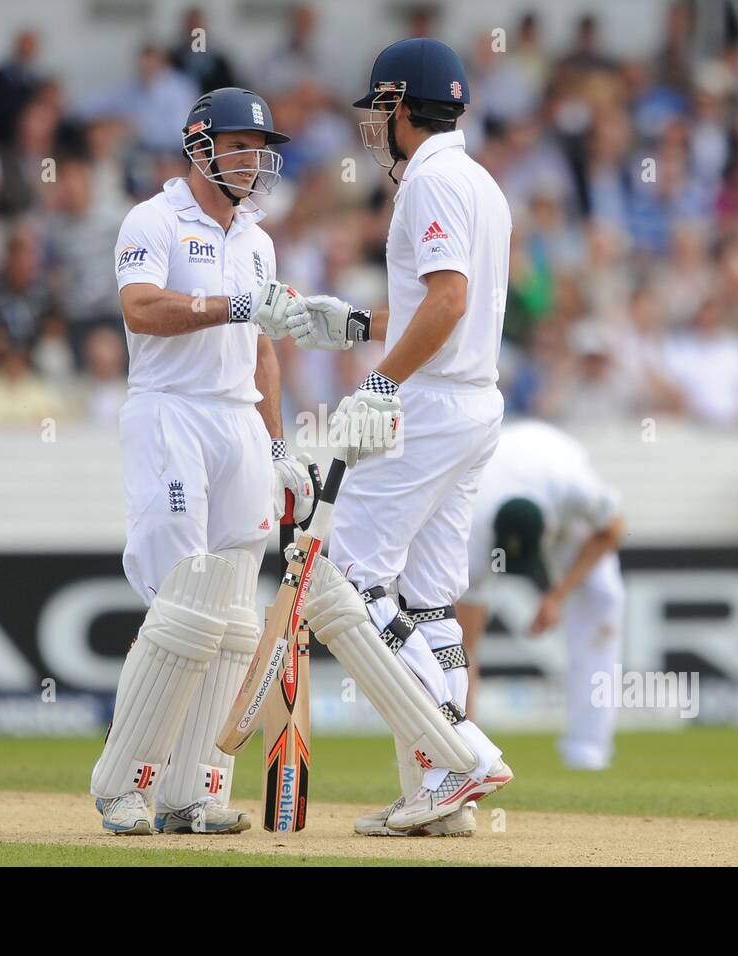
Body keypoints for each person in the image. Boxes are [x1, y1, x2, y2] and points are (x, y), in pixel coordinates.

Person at [286, 38, 513, 836]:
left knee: (345, 579)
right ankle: (436, 797)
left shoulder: (431, 183)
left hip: (429, 407)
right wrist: (356, 324)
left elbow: (447, 302)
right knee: (427, 602)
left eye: (380, 109)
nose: (374, 126)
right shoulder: (477, 179)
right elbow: (440, 302)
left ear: (402, 106)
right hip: (471, 404)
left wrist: (381, 381)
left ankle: (459, 753)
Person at [89, 88, 314, 836]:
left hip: (237, 418)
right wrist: (237, 306)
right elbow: (141, 309)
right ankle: (122, 784)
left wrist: (278, 444)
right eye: (239, 146)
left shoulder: (257, 238)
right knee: (182, 605)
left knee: (231, 619)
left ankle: (194, 791)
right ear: (200, 148)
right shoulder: (152, 219)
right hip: (169, 410)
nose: (253, 160)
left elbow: (265, 351)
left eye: (260, 147)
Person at [457, 419, 627, 771]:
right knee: (458, 643)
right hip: (501, 471)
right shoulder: (472, 532)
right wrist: (465, 744)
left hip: (553, 455)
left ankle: (588, 748)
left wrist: (557, 596)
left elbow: (613, 530)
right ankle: (462, 747)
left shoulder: (575, 490)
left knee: (603, 596)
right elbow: (466, 649)